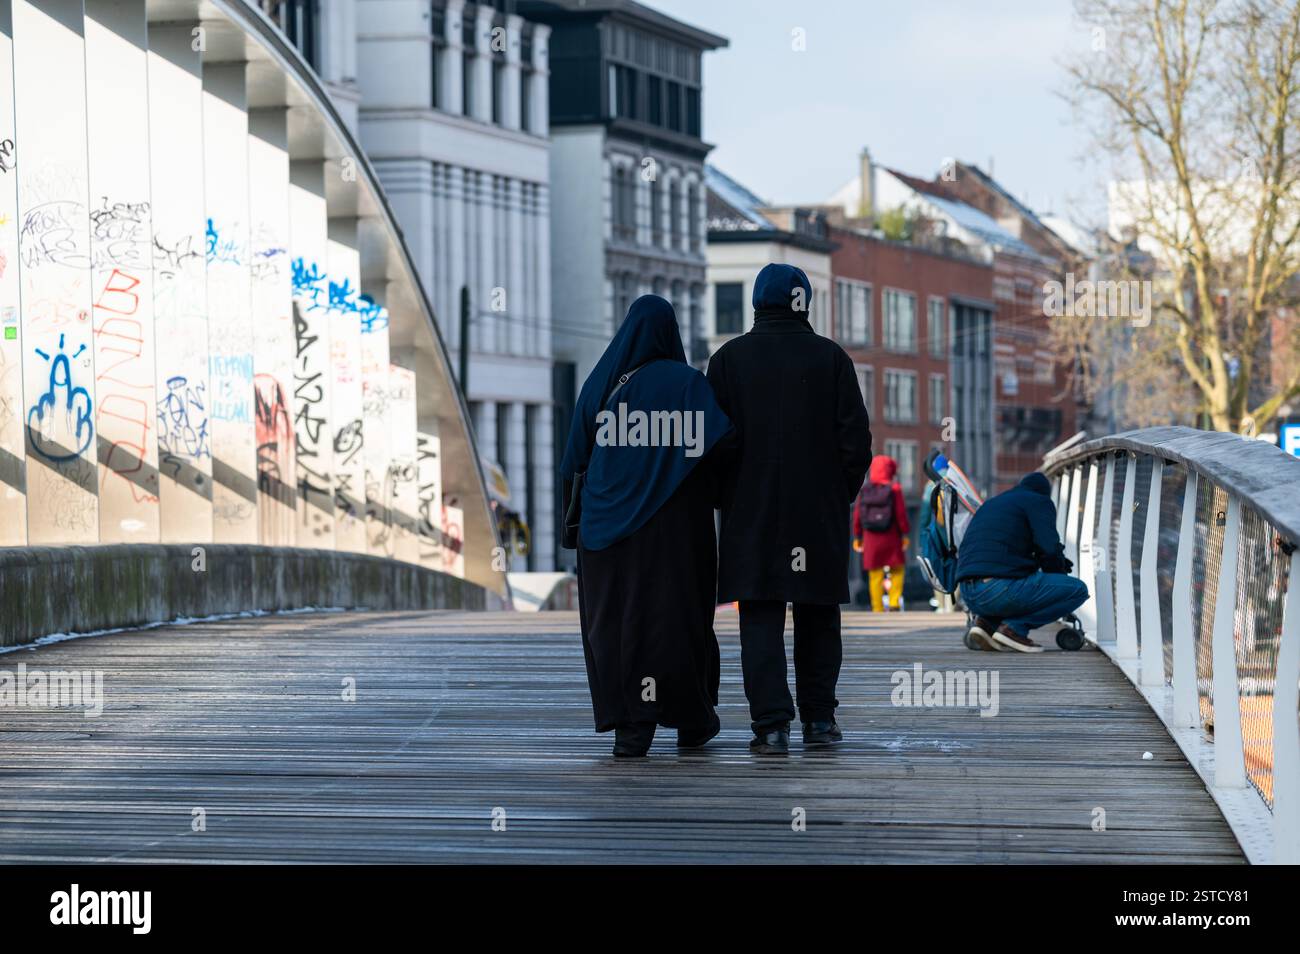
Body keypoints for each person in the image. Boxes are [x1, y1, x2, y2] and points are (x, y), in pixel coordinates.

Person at [706, 263, 871, 755]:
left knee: (759, 616)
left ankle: (771, 726)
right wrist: (836, 493)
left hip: (749, 514)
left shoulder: (728, 361)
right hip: (816, 513)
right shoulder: (831, 359)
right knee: (818, 614)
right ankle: (819, 721)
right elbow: (856, 442)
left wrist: (727, 497)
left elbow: (713, 444)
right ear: (804, 302)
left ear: (757, 303)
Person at [560, 295, 735, 757]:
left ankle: (630, 728)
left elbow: (574, 459)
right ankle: (691, 719)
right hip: (676, 531)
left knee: (614, 625)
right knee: (678, 621)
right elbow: (722, 454)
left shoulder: (598, 384)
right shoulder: (688, 385)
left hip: (605, 534)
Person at [955, 471, 1089, 653]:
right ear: (1045, 493)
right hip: (997, 589)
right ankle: (1014, 629)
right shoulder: (1039, 501)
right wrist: (1058, 573)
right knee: (1077, 590)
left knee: (1015, 580)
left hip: (968, 593)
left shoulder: (992, 503)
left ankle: (986, 623)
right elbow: (1049, 547)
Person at [853, 454, 910, 612]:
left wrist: (858, 536)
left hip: (870, 538)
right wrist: (905, 533)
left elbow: (857, 514)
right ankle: (893, 602)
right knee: (897, 569)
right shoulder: (894, 489)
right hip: (891, 537)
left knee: (875, 573)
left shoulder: (865, 490)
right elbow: (900, 515)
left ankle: (877, 607)